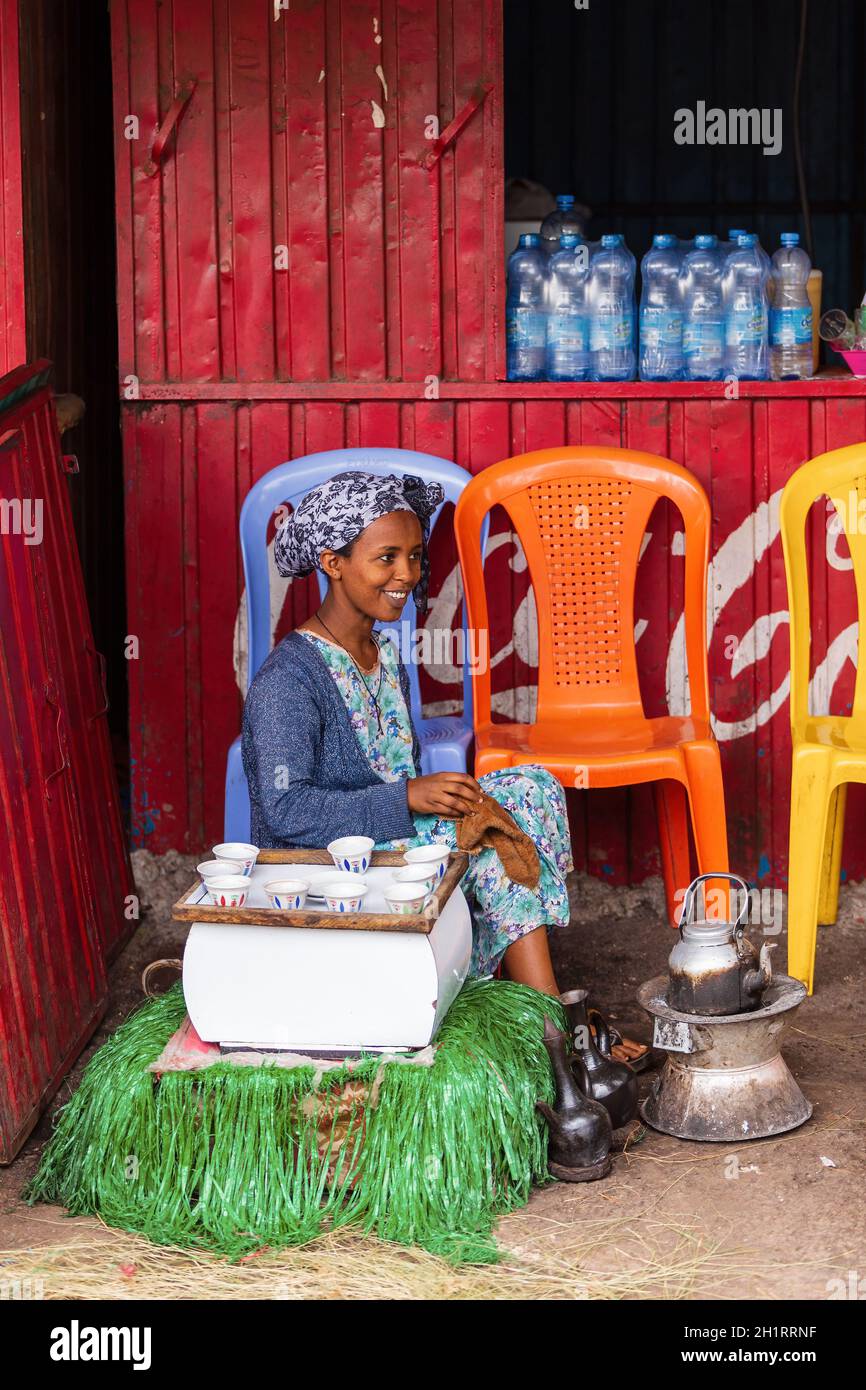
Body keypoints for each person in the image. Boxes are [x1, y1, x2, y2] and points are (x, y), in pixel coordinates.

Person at [242, 469, 646, 1057]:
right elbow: (284, 811)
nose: (406, 574)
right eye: (385, 558)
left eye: (412, 556)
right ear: (333, 563)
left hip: (393, 842)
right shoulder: (290, 680)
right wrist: (407, 797)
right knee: (490, 830)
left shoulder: (378, 655)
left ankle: (542, 1013)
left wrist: (422, 800)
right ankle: (555, 1029)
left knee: (526, 787)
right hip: (331, 872)